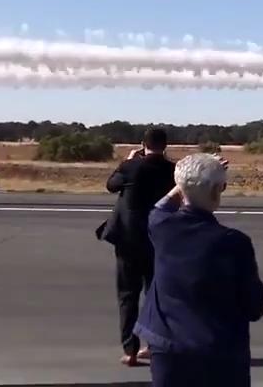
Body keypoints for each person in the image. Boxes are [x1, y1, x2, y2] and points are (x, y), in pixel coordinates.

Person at [134, 153, 263, 387]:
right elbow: (254, 306)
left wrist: (186, 181)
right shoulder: (234, 242)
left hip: (168, 349)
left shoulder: (161, 225)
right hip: (219, 352)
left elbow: (162, 206)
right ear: (216, 191)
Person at [96, 127, 176, 365]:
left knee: (127, 295)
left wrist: (126, 161)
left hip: (128, 240)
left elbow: (111, 185)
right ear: (165, 146)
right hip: (158, 239)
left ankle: (130, 349)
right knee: (155, 294)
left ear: (143, 144)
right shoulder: (172, 170)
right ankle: (153, 345)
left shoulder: (131, 167)